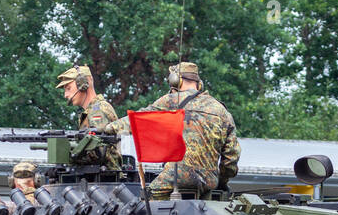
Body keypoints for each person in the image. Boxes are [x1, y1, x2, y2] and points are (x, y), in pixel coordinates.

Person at [101, 61, 240, 198]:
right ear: (199, 84)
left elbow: (136, 121)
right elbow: (230, 159)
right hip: (210, 181)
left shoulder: (172, 100)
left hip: (177, 176)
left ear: (175, 81)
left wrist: (107, 128)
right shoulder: (222, 111)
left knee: (145, 203)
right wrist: (221, 181)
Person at [56, 64, 122, 169]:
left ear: (83, 84)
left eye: (68, 88)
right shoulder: (89, 112)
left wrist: (68, 154)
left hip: (103, 178)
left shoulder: (98, 110)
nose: (66, 95)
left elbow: (100, 152)